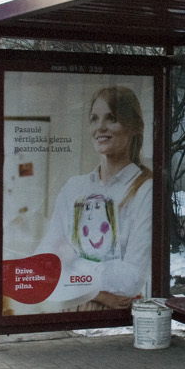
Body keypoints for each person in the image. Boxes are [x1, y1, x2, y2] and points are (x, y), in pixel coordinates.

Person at [35, 86, 154, 311]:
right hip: (67, 313)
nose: (100, 127)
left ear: (133, 127)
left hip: (119, 321)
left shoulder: (145, 190)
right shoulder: (74, 188)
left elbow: (130, 281)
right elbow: (43, 265)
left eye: (111, 118)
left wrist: (72, 261)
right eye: (94, 119)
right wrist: (99, 293)